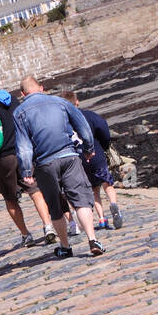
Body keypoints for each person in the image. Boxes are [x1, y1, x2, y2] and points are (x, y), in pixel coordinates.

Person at [14, 76, 104, 257]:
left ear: (22, 94)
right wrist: (88, 148)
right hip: (69, 156)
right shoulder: (60, 102)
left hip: (44, 163)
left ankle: (65, 246)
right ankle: (92, 239)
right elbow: (83, 127)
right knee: (81, 198)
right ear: (41, 88)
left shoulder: (19, 112)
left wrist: (25, 171)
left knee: (54, 205)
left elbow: (23, 147)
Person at [0, 71, 56, 249]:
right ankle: (48, 225)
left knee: (10, 199)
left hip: (2, 157)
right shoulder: (12, 99)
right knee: (34, 189)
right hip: (23, 151)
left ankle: (26, 235)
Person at [60, 90, 123, 230]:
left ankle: (101, 219)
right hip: (97, 154)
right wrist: (105, 144)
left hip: (80, 160)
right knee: (107, 183)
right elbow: (103, 129)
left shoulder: (64, 123)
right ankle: (113, 204)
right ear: (77, 102)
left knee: (94, 190)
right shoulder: (88, 115)